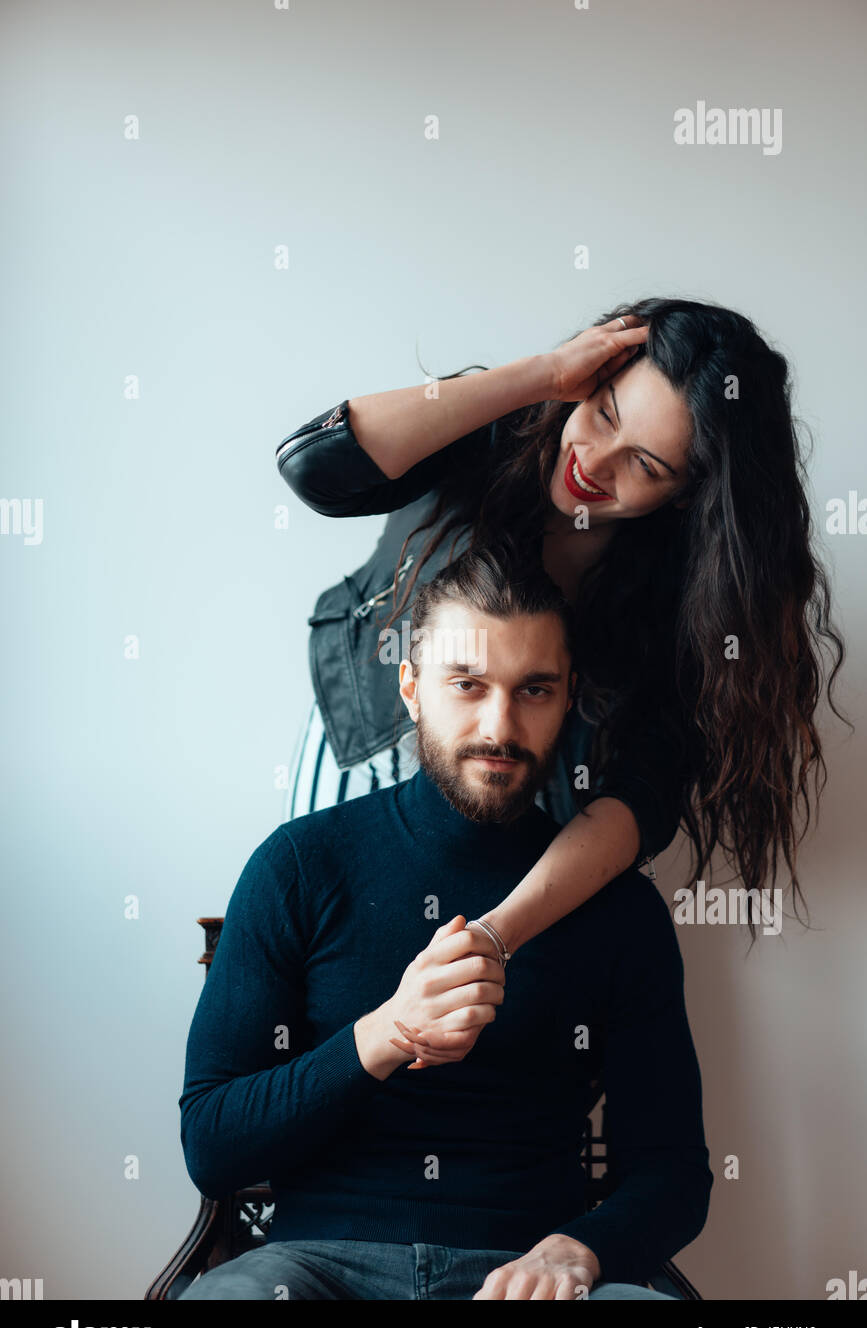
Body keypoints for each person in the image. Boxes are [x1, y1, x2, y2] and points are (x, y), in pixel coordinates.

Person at [276, 297, 848, 1065]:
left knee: (479, 1059)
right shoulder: (488, 425)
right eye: (604, 412)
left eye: (644, 465)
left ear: (686, 493)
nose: (594, 461)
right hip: (363, 750)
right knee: (325, 1024)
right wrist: (539, 378)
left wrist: (495, 935)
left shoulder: (681, 602)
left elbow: (638, 799)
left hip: (525, 830)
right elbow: (316, 469)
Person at [178, 546, 713, 1301]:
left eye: (534, 689)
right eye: (467, 685)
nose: (499, 726)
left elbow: (671, 1170)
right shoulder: (301, 865)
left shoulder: (616, 907)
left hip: (525, 1276)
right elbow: (212, 1143)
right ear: (411, 689)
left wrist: (577, 1251)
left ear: (567, 701)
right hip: (311, 1273)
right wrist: (386, 1033)